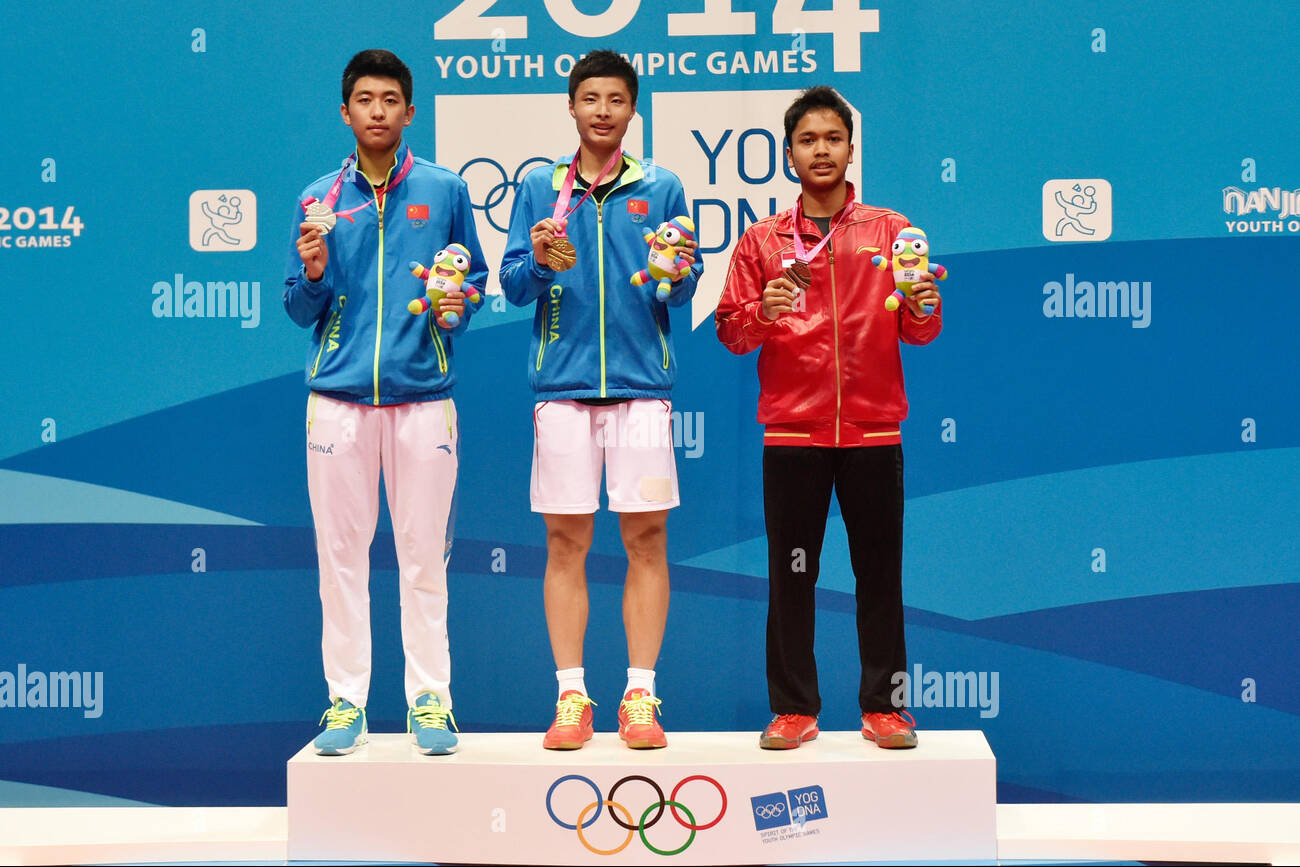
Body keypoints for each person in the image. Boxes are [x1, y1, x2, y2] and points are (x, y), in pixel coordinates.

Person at [714, 86, 942, 750]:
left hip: (874, 431)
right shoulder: (762, 241)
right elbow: (731, 334)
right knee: (791, 577)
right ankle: (793, 709)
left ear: (850, 148)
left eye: (833, 139)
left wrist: (923, 303)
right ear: (788, 154)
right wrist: (766, 312)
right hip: (793, 434)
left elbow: (920, 332)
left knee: (881, 577)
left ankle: (886, 708)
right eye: (808, 140)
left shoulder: (893, 232)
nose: (821, 150)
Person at [283, 49, 487, 757]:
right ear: (346, 112)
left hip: (424, 398)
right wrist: (312, 270)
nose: (377, 110)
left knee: (422, 554)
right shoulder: (318, 198)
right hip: (337, 402)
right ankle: (346, 702)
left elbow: (472, 286)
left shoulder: (446, 189)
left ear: (409, 111)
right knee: (340, 556)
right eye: (363, 99)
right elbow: (298, 305)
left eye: (389, 99)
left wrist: (455, 307)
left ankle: (431, 699)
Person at [500, 49, 702, 751]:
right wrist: (539, 263)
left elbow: (682, 287)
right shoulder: (540, 187)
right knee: (566, 542)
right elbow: (512, 285)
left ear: (632, 108)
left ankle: (640, 696)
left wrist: (672, 275)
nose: (603, 111)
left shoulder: (663, 185)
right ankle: (571, 696)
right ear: (572, 106)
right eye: (590, 98)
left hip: (643, 392)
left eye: (616, 99)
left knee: (647, 539)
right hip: (561, 390)